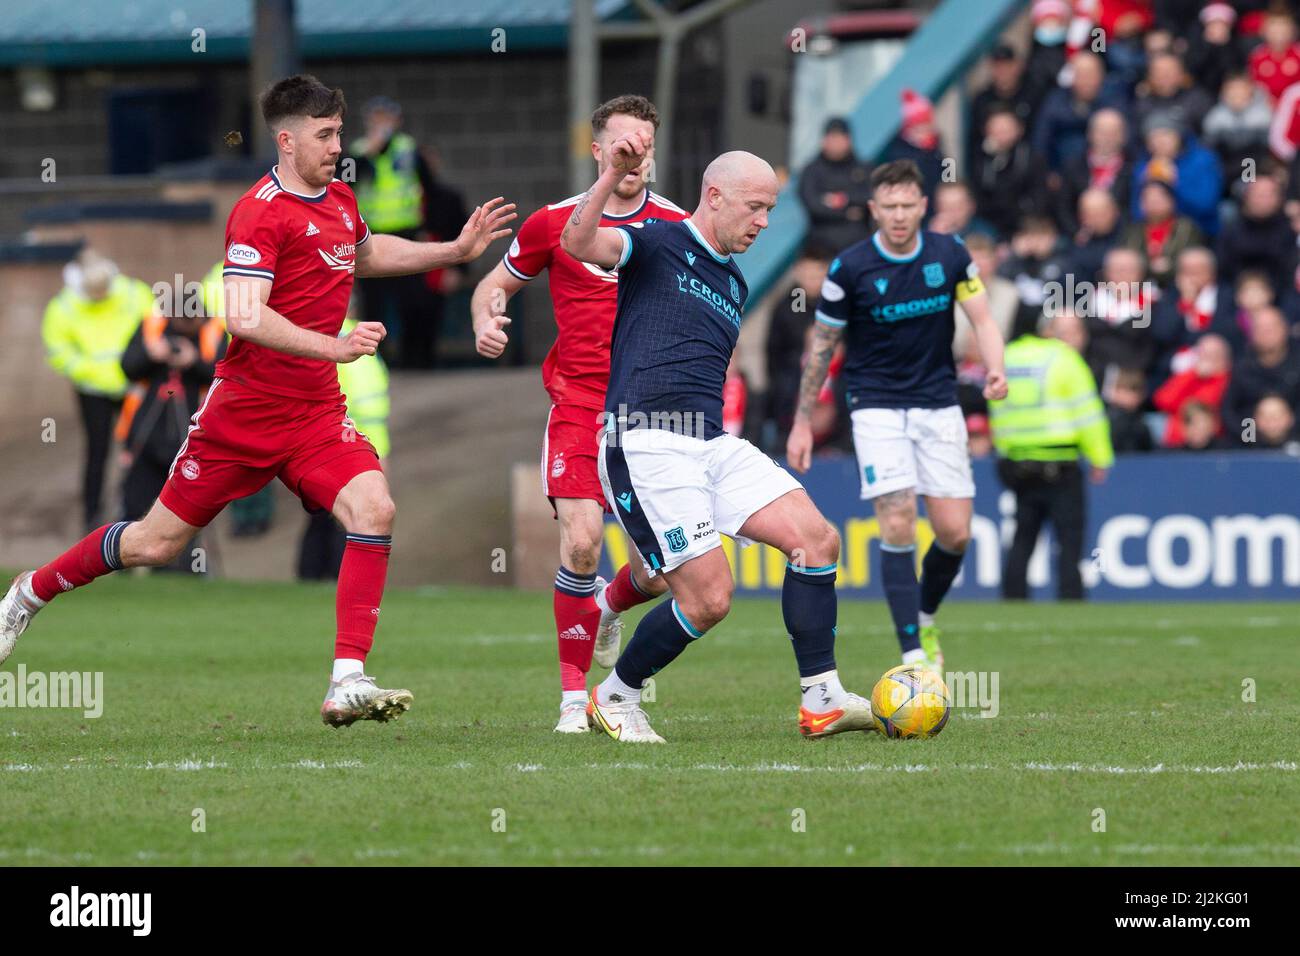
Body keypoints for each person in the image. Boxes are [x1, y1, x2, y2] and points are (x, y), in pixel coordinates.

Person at [1, 74, 517, 727]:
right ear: (287, 138)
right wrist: (333, 347)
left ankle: (347, 681)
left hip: (315, 417)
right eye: (325, 135)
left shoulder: (337, 199)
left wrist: (455, 249)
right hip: (241, 416)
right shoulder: (260, 211)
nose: (338, 146)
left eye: (338, 132)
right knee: (154, 545)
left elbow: (365, 252)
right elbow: (244, 317)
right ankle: (29, 591)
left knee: (375, 507)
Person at [562, 139, 873, 744]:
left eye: (770, 211)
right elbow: (578, 242)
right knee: (709, 598)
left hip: (710, 442)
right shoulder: (657, 241)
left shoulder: (732, 281)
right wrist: (609, 178)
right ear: (714, 195)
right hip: (645, 440)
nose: (763, 223)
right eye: (755, 207)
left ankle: (822, 697)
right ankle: (614, 698)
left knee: (817, 540)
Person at [470, 95, 679, 733]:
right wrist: (486, 318)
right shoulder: (554, 223)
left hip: (652, 413)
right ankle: (571, 701)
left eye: (644, 145)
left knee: (664, 571)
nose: (634, 156)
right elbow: (494, 284)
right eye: (623, 144)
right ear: (596, 150)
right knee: (583, 541)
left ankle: (611, 608)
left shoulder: (675, 225)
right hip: (580, 406)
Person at [787, 159, 1008, 672]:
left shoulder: (950, 255)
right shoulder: (850, 268)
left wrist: (995, 367)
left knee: (955, 533)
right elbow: (822, 347)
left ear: (924, 205)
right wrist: (802, 420)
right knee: (899, 518)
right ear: (874, 209)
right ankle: (912, 651)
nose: (900, 215)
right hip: (876, 407)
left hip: (938, 403)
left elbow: (982, 318)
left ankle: (925, 613)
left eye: (909, 204)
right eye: (890, 206)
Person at [990, 305, 1114, 601]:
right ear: (1047, 330)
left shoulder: (1007, 357)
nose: (1072, 338)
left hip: (1017, 461)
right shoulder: (1064, 358)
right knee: (1069, 539)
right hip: (1060, 462)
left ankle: (1013, 598)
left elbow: (997, 407)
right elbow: (1088, 414)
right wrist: (1100, 457)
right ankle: (1070, 597)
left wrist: (1006, 452)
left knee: (1023, 536)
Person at [351, 96, 467, 369]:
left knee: (414, 303)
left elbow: (432, 191)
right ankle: (376, 362)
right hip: (371, 237)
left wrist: (429, 230)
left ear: (397, 121)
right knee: (373, 306)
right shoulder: (356, 152)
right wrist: (370, 151)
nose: (382, 124)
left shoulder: (409, 150)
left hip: (407, 234)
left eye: (387, 118)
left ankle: (414, 360)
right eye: (376, 118)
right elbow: (349, 183)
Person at [42, 251, 153, 531]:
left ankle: (139, 511)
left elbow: (153, 326)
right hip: (93, 391)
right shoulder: (62, 308)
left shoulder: (133, 293)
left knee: (141, 447)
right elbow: (59, 353)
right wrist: (94, 373)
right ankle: (91, 517)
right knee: (97, 451)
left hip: (134, 385)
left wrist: (140, 366)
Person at [117, 303, 227, 543]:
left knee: (184, 508)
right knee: (135, 502)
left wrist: (194, 361)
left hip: (190, 435)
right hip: (146, 432)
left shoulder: (215, 331)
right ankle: (127, 561)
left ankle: (183, 566)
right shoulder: (153, 326)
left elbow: (226, 376)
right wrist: (151, 354)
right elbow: (127, 367)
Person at [298, 311, 391, 581]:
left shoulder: (322, 332)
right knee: (346, 519)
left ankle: (312, 577)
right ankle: (329, 577)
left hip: (333, 442)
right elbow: (369, 406)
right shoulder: (351, 337)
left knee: (327, 518)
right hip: (342, 445)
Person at [798, 117, 873, 253]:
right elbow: (813, 205)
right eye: (832, 138)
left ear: (848, 140)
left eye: (839, 138)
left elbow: (871, 197)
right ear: (824, 140)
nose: (835, 143)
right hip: (821, 248)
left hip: (858, 247)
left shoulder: (864, 168)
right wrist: (847, 213)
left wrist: (844, 199)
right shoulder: (811, 170)